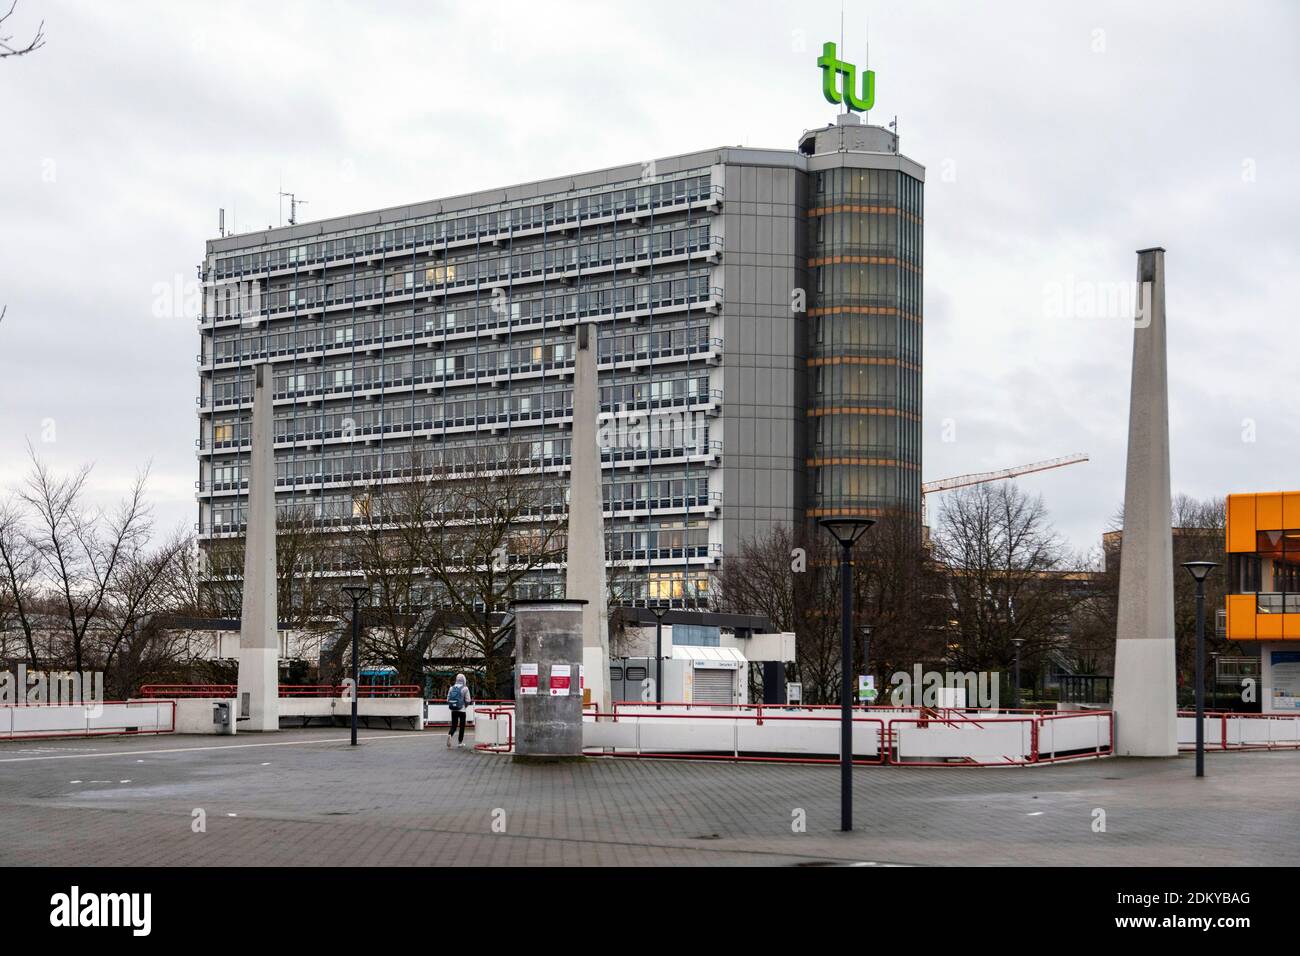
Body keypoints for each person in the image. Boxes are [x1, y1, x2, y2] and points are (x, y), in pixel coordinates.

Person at [446, 673, 472, 748]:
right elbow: (468, 700)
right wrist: (465, 706)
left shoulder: (451, 688)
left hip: (453, 710)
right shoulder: (465, 688)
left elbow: (447, 699)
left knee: (454, 725)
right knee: (462, 726)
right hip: (462, 710)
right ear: (464, 679)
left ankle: (450, 734)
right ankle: (460, 742)